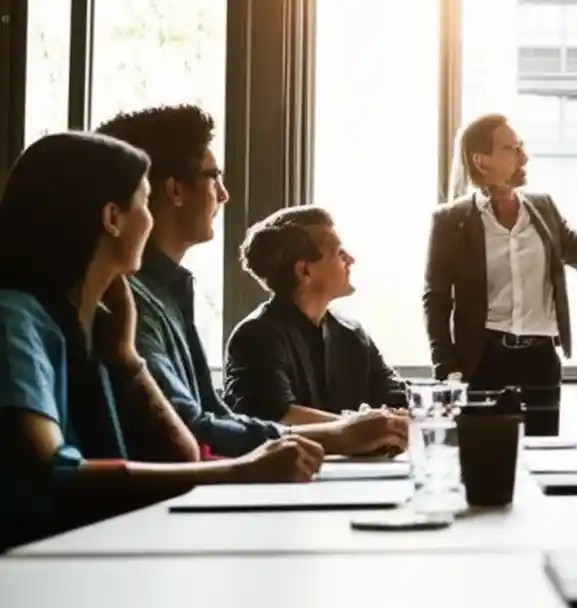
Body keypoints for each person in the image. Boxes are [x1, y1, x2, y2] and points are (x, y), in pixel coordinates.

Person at [0, 133, 323, 550]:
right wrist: (240, 472)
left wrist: (127, 359)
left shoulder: (99, 326)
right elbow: (54, 476)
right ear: (112, 218)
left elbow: (180, 455)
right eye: (144, 202)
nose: (151, 220)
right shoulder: (14, 319)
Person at [96, 105, 406, 460]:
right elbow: (193, 431)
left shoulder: (169, 294)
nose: (224, 195)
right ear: (175, 190)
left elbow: (214, 416)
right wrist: (340, 435)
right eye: (214, 177)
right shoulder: (129, 302)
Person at [423, 114, 577, 436]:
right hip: (483, 361)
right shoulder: (451, 220)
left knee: (544, 455)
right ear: (481, 160)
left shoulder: (543, 208)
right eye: (512, 149)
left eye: (522, 147)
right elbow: (436, 298)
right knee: (486, 455)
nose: (524, 157)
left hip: (541, 361)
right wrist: (447, 368)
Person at [222, 206, 408, 422]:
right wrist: (359, 427)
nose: (351, 259)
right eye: (338, 253)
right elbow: (274, 415)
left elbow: (396, 396)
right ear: (305, 270)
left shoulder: (353, 334)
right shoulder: (255, 337)